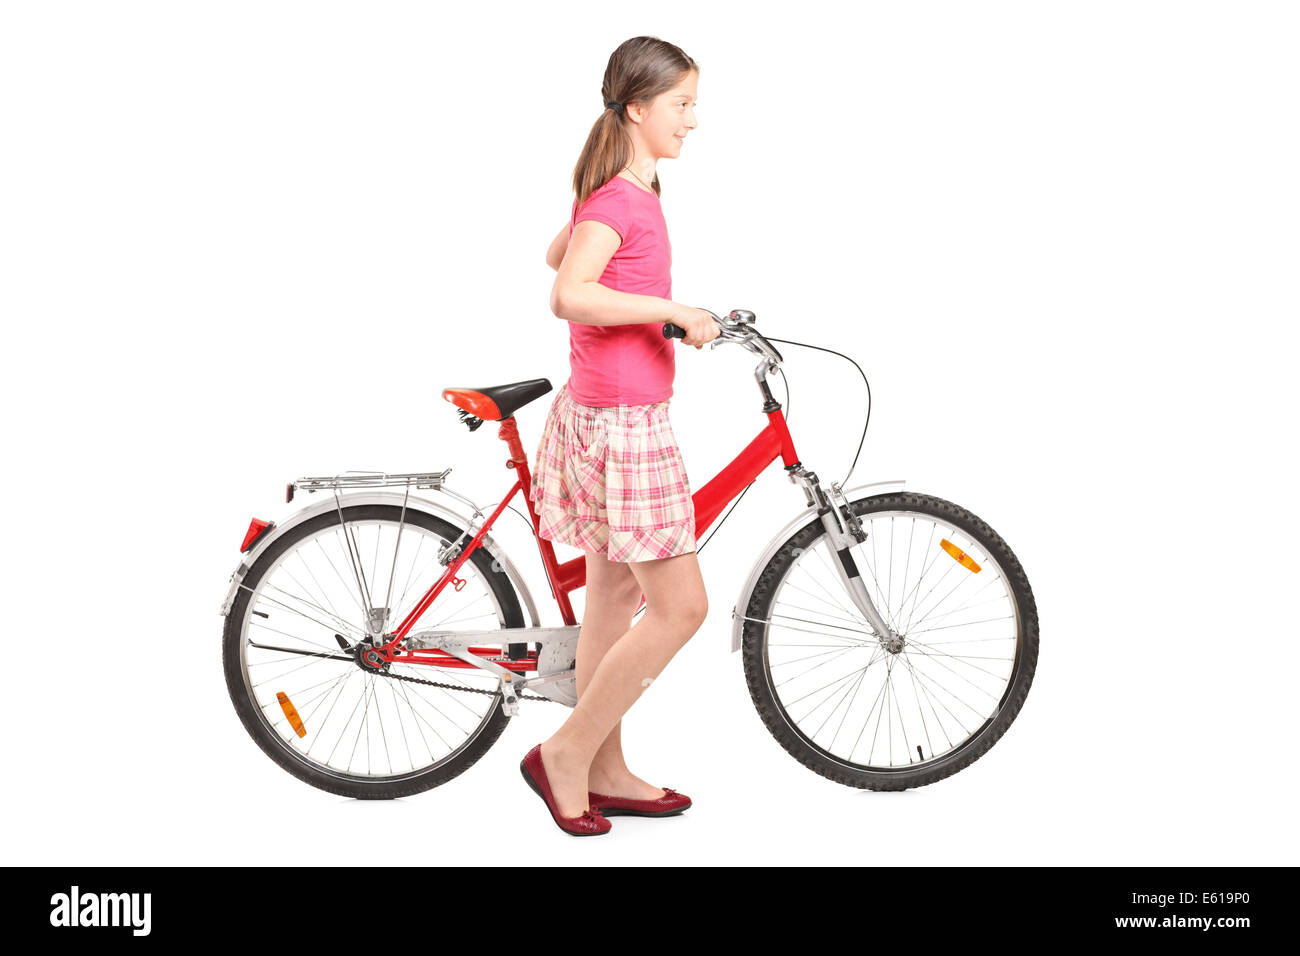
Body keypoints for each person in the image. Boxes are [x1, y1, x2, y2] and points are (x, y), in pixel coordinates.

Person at [520, 36, 720, 836]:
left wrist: (658, 304)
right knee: (681, 608)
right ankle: (566, 752)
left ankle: (603, 765)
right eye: (681, 105)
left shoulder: (623, 187)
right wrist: (670, 311)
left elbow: (558, 251)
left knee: (611, 598)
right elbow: (568, 292)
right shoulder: (623, 198)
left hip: (600, 418)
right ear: (637, 108)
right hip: (623, 431)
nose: (693, 121)